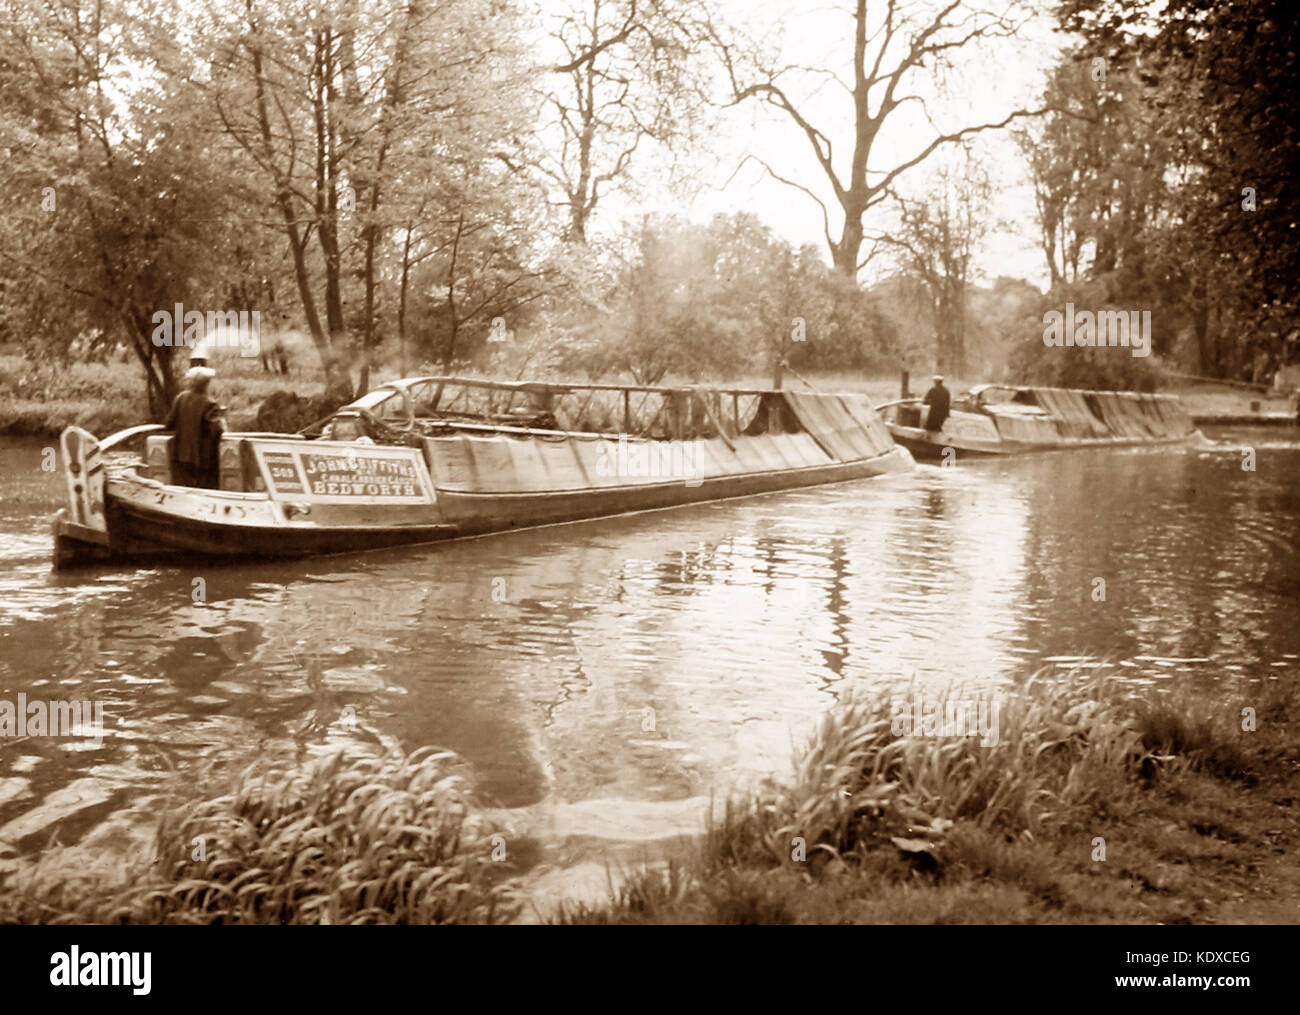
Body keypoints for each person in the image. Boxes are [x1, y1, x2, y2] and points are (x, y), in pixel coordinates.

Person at [164, 367, 225, 488]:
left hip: (181, 455)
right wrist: (222, 421)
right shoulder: (210, 403)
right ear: (206, 384)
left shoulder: (180, 398)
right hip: (203, 458)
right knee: (205, 490)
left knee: (184, 488)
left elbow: (169, 423)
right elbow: (217, 431)